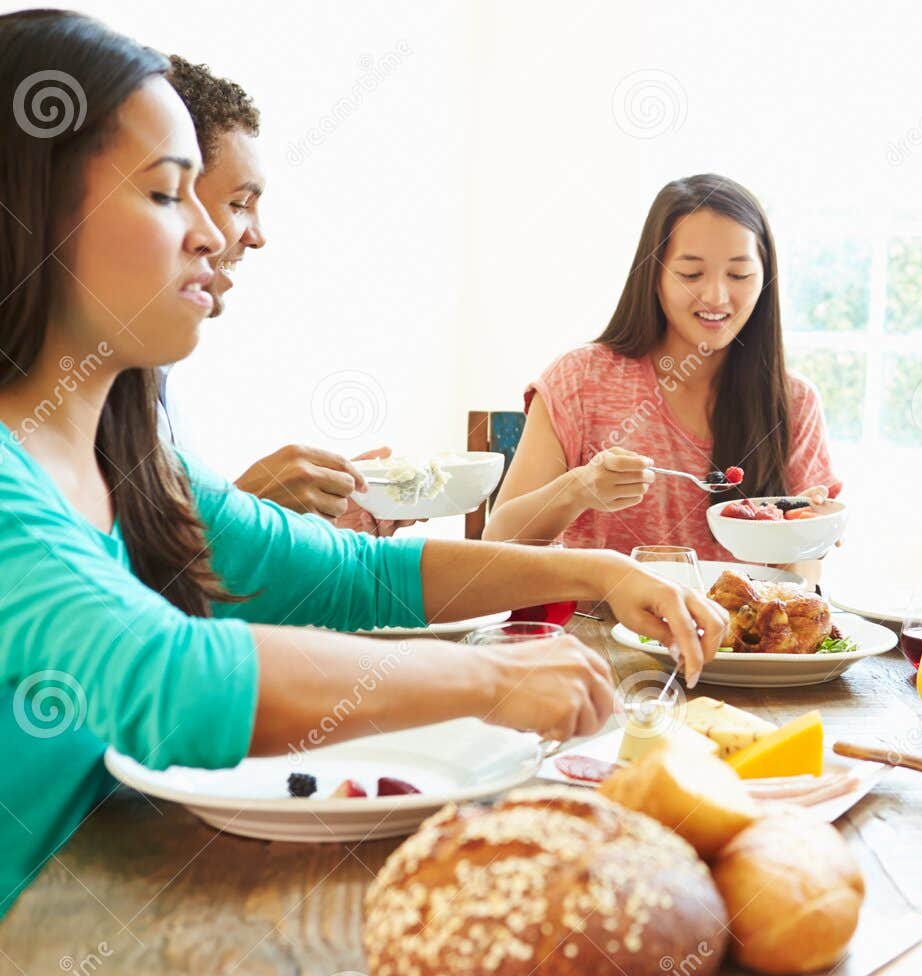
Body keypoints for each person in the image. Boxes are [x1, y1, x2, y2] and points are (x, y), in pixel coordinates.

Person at [0, 9, 726, 918]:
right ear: (29, 205)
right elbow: (169, 674)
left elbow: (360, 573)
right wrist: (496, 682)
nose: (216, 235)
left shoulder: (138, 468)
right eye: (163, 193)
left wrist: (597, 568)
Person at [485, 174, 840, 563]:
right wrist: (578, 489)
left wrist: (809, 532)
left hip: (739, 623)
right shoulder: (581, 381)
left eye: (738, 275)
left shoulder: (793, 402)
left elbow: (804, 573)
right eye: (691, 274)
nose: (716, 296)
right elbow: (495, 545)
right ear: (653, 275)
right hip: (598, 623)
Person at [164, 54, 400, 533]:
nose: (256, 237)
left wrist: (314, 520)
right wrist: (247, 508)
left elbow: (179, 562)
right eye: (238, 204)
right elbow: (121, 590)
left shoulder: (149, 382)